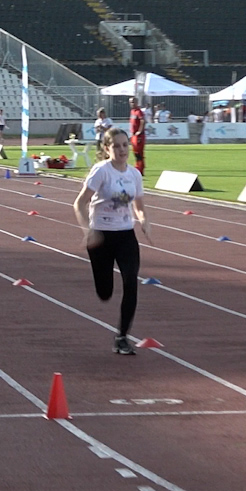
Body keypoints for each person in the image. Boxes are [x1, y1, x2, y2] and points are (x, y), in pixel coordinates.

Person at [72, 128, 150, 355]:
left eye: (125, 145)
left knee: (131, 282)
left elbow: (140, 206)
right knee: (105, 292)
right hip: (101, 237)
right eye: (116, 146)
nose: (122, 149)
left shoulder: (134, 174)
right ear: (107, 149)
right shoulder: (101, 172)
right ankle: (104, 286)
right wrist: (88, 231)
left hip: (126, 235)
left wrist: (144, 221)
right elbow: (79, 203)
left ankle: (122, 337)